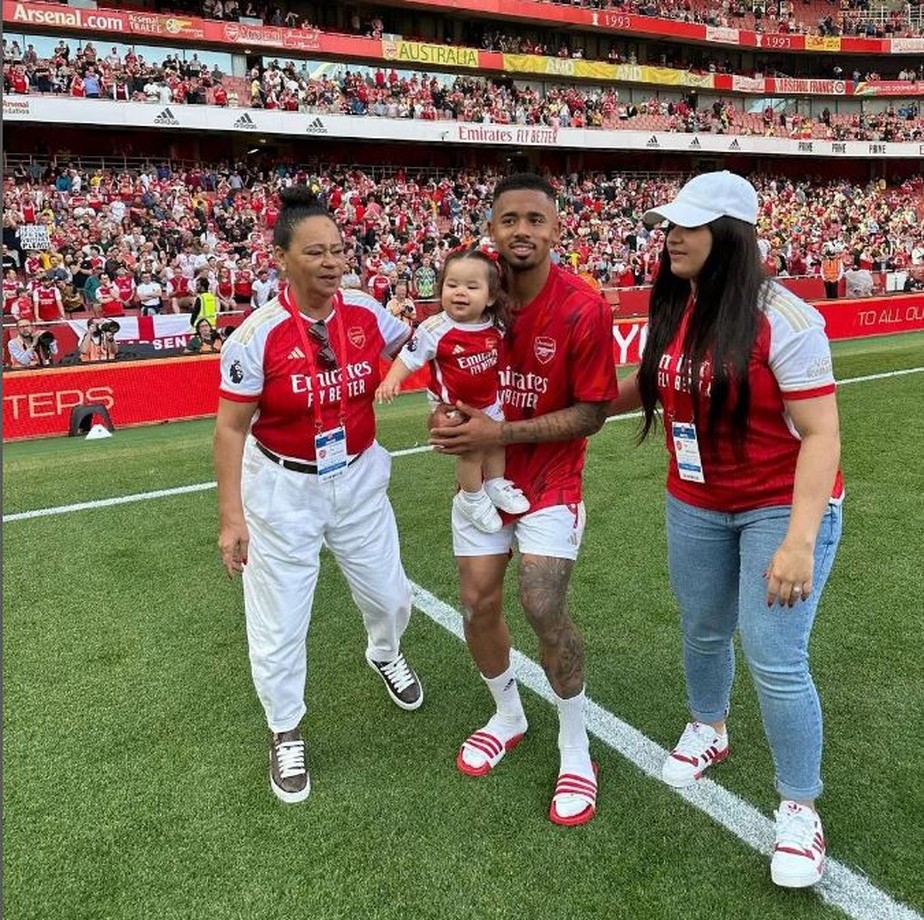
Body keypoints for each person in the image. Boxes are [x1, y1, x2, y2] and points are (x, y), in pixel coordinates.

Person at [618, 171, 843, 888]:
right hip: (696, 500)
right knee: (703, 627)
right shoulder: (676, 302)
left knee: (775, 655)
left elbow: (822, 435)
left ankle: (800, 808)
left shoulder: (786, 317)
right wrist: (547, 407)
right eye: (668, 225)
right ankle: (709, 727)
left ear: (732, 237)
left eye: (687, 225)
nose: (671, 236)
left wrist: (800, 539)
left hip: (781, 502)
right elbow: (644, 383)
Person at [213, 185, 423, 805]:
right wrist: (232, 517)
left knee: (391, 595)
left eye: (338, 250)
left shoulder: (365, 312)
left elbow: (413, 349)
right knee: (280, 625)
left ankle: (384, 653)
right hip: (282, 490)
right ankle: (286, 729)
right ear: (281, 257)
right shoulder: (257, 336)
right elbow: (229, 427)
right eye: (316, 252)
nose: (333, 263)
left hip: (358, 478)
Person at [429, 174, 618, 826]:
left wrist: (497, 431)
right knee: (478, 604)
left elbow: (594, 412)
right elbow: (446, 373)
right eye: (509, 219)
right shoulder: (474, 292)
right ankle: (508, 713)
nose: (522, 231)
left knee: (542, 603)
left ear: (556, 229)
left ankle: (575, 741)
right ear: (493, 228)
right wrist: (449, 423)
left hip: (551, 481)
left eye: (535, 219)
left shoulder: (583, 308)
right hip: (484, 482)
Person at [377, 248, 530, 532]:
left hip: (490, 401)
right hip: (453, 407)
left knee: (497, 441)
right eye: (452, 285)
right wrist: (391, 380)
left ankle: (495, 484)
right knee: (471, 451)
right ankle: (471, 498)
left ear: (491, 296)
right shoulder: (434, 329)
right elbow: (409, 357)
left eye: (472, 286)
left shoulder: (496, 326)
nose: (460, 292)